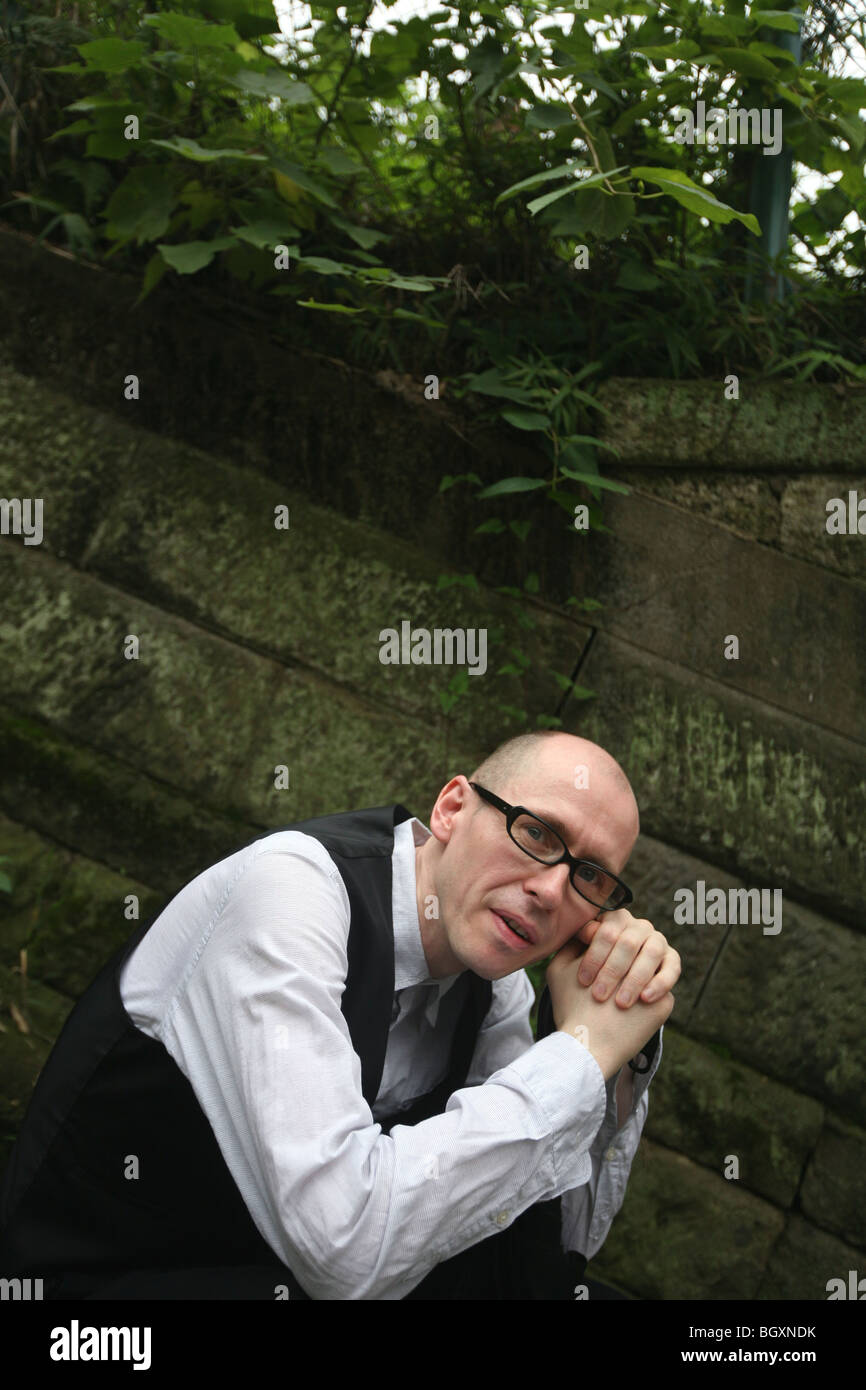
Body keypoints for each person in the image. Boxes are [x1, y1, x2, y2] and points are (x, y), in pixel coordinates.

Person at [0, 729, 678, 1300]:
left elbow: (539, 1253)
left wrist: (610, 1044)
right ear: (451, 808)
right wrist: (582, 1053)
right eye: (536, 833)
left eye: (590, 876)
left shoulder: (491, 983)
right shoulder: (292, 894)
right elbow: (341, 1249)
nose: (549, 887)